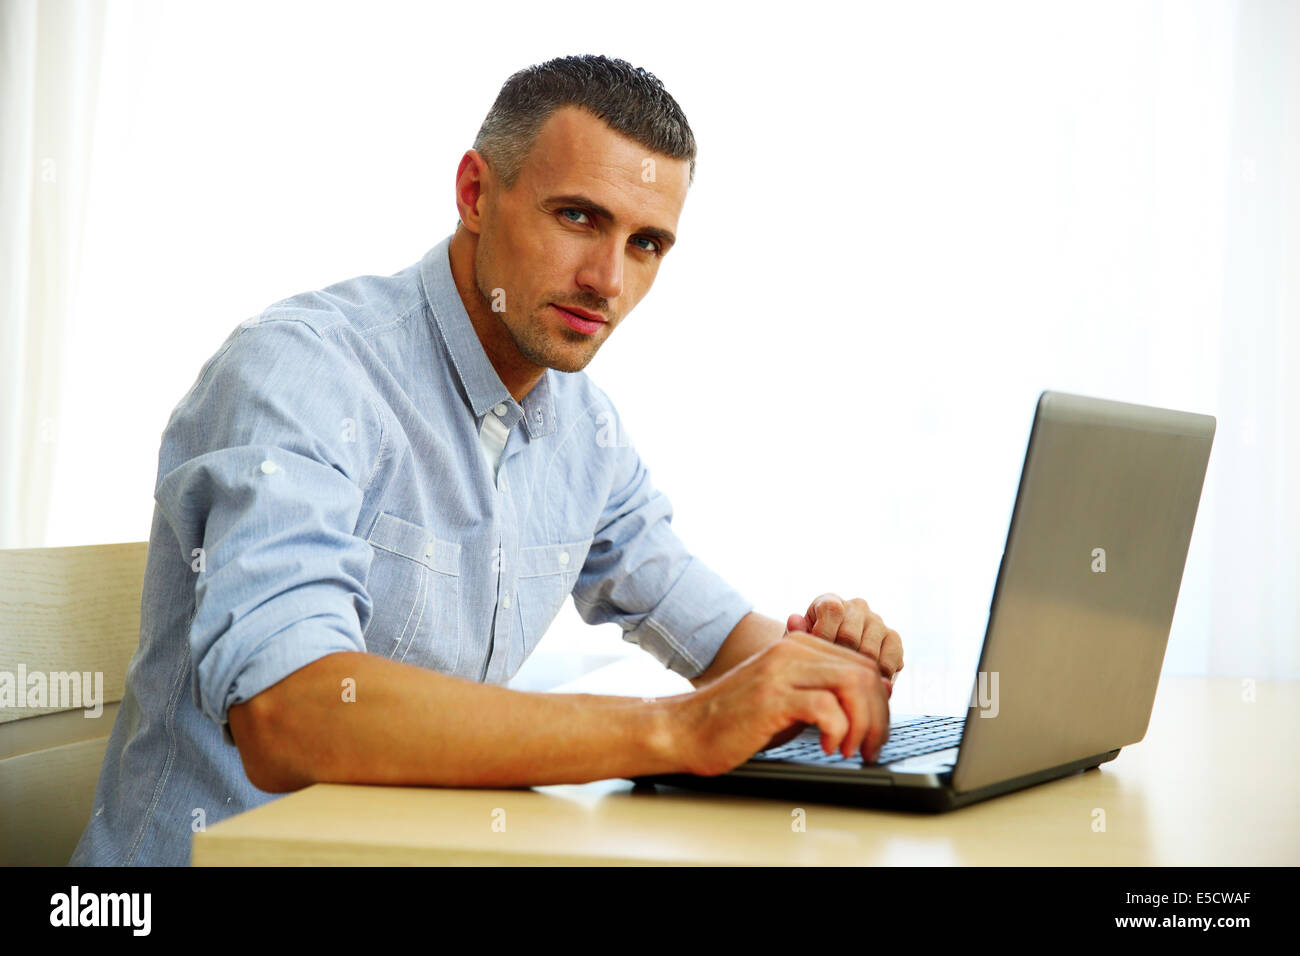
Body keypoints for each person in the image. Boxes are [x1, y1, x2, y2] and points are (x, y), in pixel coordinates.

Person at [71, 53, 903, 866]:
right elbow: (290, 713)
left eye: (647, 243)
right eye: (578, 216)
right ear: (476, 193)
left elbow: (721, 637)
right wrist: (673, 730)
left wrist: (825, 665)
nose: (608, 279)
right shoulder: (305, 370)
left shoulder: (584, 433)